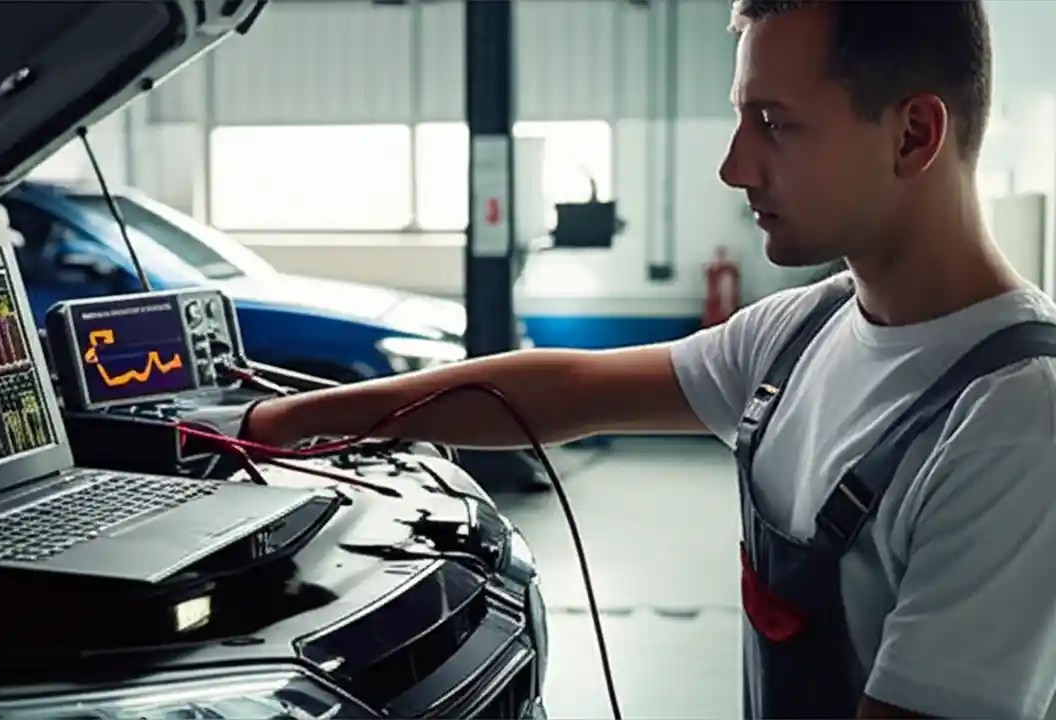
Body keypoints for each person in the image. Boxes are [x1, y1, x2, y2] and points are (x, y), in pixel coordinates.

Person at [202, 2, 1056, 717]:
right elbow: (564, 390)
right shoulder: (805, 332)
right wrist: (274, 424)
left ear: (913, 134)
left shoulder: (1015, 421)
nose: (734, 166)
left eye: (775, 124)